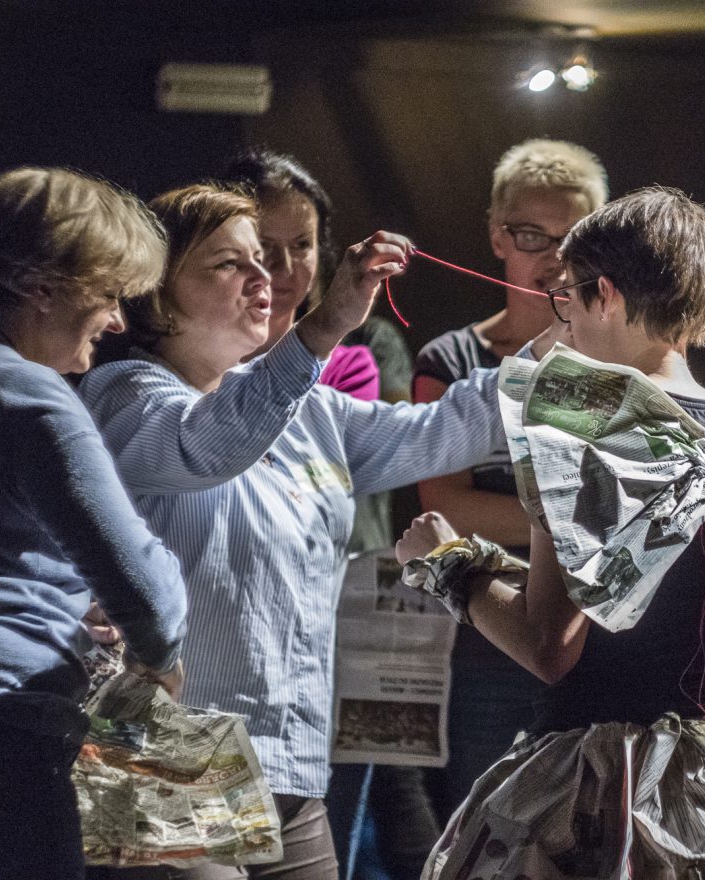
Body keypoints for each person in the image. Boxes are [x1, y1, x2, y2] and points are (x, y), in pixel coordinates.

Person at [396, 187, 705, 878]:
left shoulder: (582, 432)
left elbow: (549, 646)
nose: (563, 320)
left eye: (567, 299)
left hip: (601, 797)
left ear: (603, 295)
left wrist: (448, 564)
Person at [77, 183, 512, 879]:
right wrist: (323, 328)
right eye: (229, 264)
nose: (265, 278)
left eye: (268, 258)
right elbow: (210, 444)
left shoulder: (306, 408)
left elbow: (446, 432)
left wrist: (567, 338)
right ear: (154, 294)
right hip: (168, 751)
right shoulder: (127, 398)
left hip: (290, 763)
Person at [0, 167, 187, 880]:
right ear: (40, 286)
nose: (118, 321)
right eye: (106, 295)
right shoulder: (25, 391)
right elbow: (144, 590)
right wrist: (159, 652)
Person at [221, 146, 407, 879]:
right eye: (265, 247)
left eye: (302, 245)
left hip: (324, 641)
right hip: (202, 721)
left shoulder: (354, 360)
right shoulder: (164, 383)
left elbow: (344, 447)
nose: (288, 265)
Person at [411, 138, 609, 823]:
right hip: (487, 628)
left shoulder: (610, 359)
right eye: (532, 235)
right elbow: (441, 502)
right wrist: (574, 508)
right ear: (498, 236)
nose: (552, 257)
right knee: (482, 821)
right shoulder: (452, 357)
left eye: (572, 238)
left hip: (591, 628)